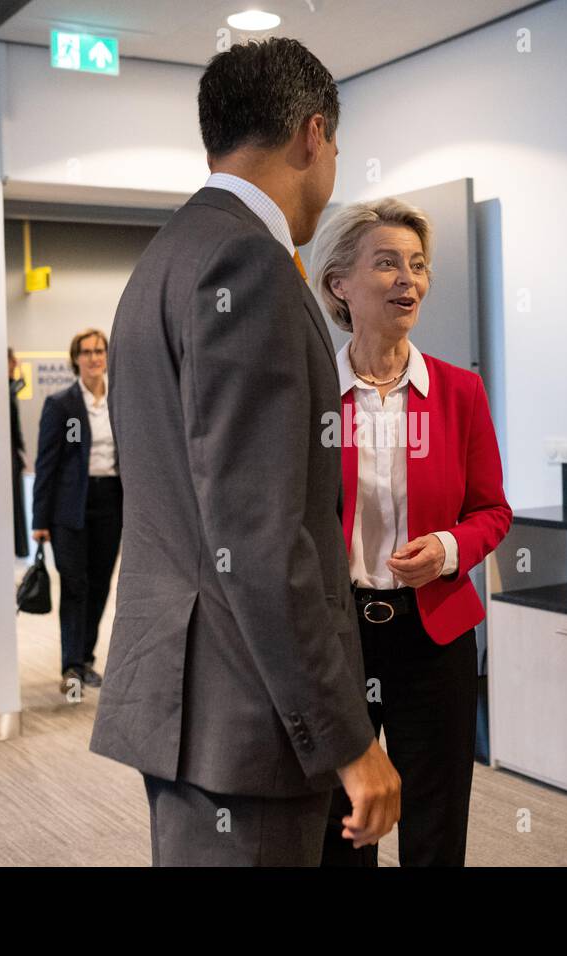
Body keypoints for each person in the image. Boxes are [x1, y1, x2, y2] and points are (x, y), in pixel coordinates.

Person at [89, 37, 400, 866]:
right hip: (245, 713)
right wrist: (345, 735)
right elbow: (259, 535)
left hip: (189, 698)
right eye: (334, 145)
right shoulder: (250, 264)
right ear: (311, 134)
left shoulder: (165, 257)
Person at [309, 199, 512, 867]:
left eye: (418, 266)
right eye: (387, 263)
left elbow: (491, 510)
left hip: (434, 635)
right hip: (338, 638)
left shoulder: (460, 392)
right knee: (345, 822)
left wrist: (450, 549)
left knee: (436, 820)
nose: (409, 280)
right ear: (340, 284)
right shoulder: (311, 397)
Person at [31, 329, 121, 698]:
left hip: (111, 500)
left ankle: (85, 658)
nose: (94, 357)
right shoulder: (61, 404)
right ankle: (70, 665)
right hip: (70, 508)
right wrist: (39, 521)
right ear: (75, 359)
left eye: (99, 351)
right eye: (86, 352)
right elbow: (46, 464)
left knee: (100, 584)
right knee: (75, 584)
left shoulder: (119, 400)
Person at [9, 348, 29, 559]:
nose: (15, 364)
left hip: (14, 452)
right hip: (10, 453)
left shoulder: (10, 388)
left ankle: (20, 549)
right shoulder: (6, 389)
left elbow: (21, 382)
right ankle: (18, 548)